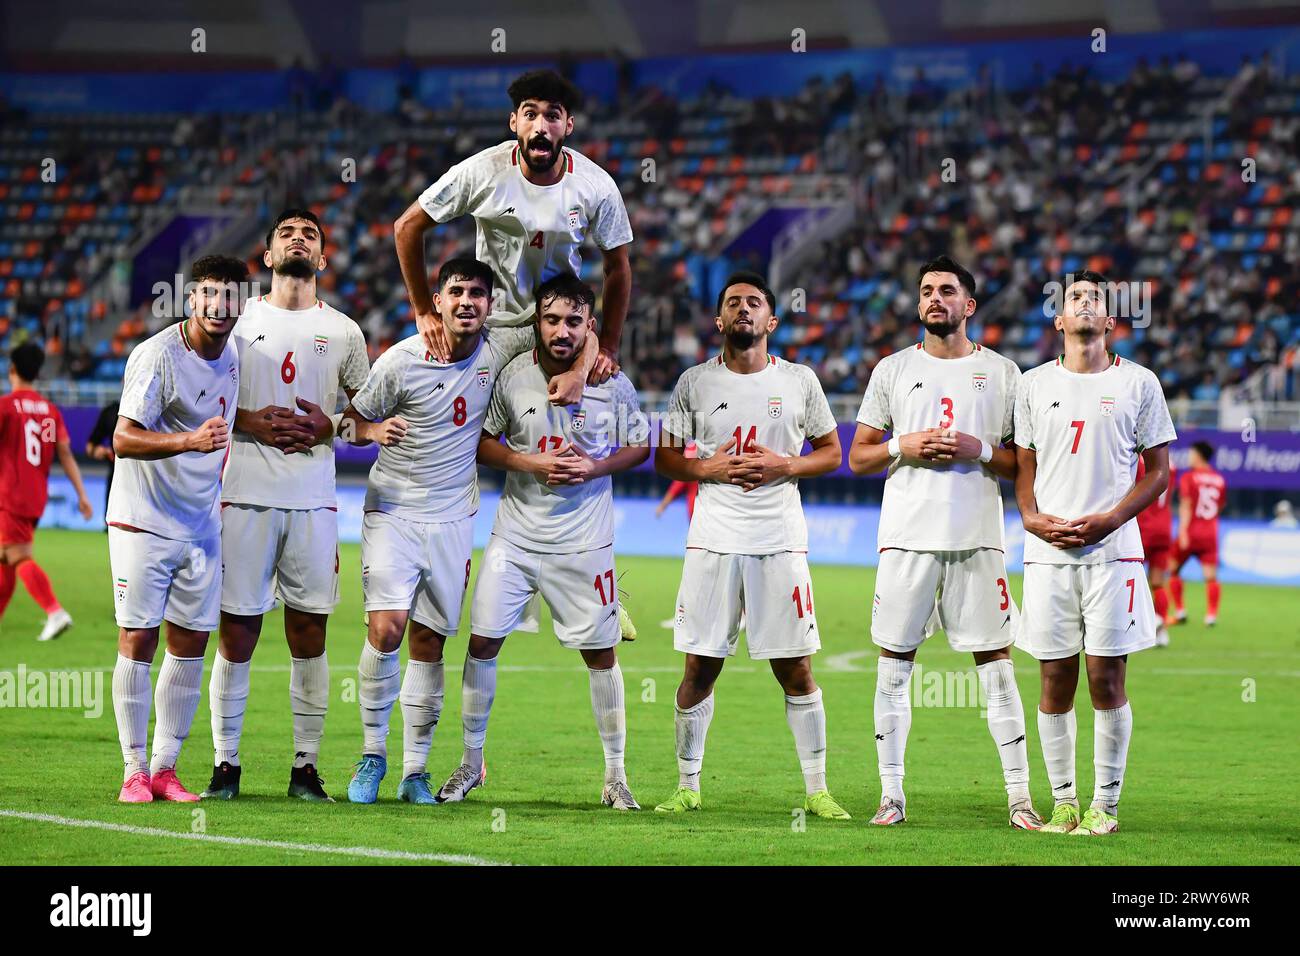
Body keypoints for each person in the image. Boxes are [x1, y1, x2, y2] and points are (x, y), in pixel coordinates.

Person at [336, 257, 560, 805]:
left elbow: (566, 325)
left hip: (456, 517)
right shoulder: (400, 361)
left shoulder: (497, 352)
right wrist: (370, 428)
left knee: (429, 642)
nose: (467, 302)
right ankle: (372, 755)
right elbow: (346, 421)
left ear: (490, 306)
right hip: (393, 510)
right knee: (386, 630)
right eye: (456, 292)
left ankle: (415, 771)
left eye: (478, 294)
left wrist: (585, 366)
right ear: (436, 302)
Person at [434, 272, 648, 810]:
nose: (561, 330)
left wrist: (596, 466)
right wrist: (528, 461)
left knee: (600, 656)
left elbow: (641, 446)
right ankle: (470, 762)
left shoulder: (610, 381)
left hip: (585, 542)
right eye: (551, 319)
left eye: (574, 321)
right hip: (516, 537)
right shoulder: (511, 377)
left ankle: (617, 776)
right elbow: (482, 442)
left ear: (589, 327)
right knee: (482, 643)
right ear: (537, 322)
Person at [848, 255, 1041, 829]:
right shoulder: (892, 370)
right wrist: (903, 444)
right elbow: (858, 457)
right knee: (894, 664)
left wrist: (976, 449)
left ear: (969, 305)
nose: (936, 298)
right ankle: (891, 796)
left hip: (978, 540)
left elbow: (1021, 463)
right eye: (927, 289)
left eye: (948, 291)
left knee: (997, 666)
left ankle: (1020, 799)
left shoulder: (1005, 373)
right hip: (906, 540)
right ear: (918, 303)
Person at [652, 271, 850, 820]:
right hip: (713, 543)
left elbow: (833, 453)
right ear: (719, 321)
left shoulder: (800, 380)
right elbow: (666, 458)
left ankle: (817, 790)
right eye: (733, 303)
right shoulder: (694, 382)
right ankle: (688, 786)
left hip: (780, 542)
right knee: (699, 667)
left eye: (754, 303)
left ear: (772, 320)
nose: (744, 309)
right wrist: (706, 467)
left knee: (796, 670)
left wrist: (786, 464)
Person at [202, 208, 370, 803]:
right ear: (267, 256)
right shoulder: (236, 322)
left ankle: (305, 769)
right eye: (287, 234)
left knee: (309, 631)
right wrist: (249, 420)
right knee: (237, 633)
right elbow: (201, 396)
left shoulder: (346, 332)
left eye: (311, 236)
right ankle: (227, 765)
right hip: (243, 495)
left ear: (323, 259)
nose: (299, 240)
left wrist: (331, 426)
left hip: (314, 504)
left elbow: (365, 420)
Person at [1014, 271, 1176, 836]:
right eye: (1072, 298)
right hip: (1048, 556)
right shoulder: (1032, 384)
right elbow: (1023, 468)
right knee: (1054, 681)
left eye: (1094, 300)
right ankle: (1063, 801)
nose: (1083, 304)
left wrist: (1111, 519)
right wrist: (1032, 519)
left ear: (1109, 322)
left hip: (1116, 556)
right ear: (1059, 320)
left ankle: (1104, 807)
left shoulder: (1139, 383)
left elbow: (1160, 472)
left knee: (1107, 681)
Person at [393, 69, 631, 400]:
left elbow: (617, 267)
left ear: (569, 125)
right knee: (461, 427)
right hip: (491, 328)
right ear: (513, 122)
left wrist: (608, 345)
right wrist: (422, 311)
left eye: (553, 115)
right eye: (530, 114)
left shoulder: (596, 185)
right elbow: (406, 227)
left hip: (557, 329)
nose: (541, 126)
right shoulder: (483, 171)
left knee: (560, 436)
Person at [108, 255, 244, 802]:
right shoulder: (157, 355)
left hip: (200, 523)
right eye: (208, 293)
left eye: (230, 296)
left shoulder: (232, 353)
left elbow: (231, 421)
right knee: (139, 638)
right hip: (144, 521)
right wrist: (188, 440)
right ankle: (133, 771)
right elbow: (123, 439)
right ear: (191, 300)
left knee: (189, 645)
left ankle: (165, 768)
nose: (219, 305)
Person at [0, 343, 93, 640]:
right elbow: (62, 452)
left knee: (18, 556)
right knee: (5, 558)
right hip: (35, 496)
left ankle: (54, 611)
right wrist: (81, 493)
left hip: (9, 495)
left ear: (11, 369)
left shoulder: (6, 407)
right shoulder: (49, 413)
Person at [1168, 441, 1226, 627]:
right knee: (1211, 577)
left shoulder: (1189, 477)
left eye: (1192, 453)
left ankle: (1180, 611)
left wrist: (1182, 532)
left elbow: (1186, 505)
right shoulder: (1219, 480)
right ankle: (1211, 615)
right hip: (1210, 533)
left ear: (1199, 455)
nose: (1189, 457)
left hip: (1191, 532)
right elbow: (1220, 506)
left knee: (1173, 569)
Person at [1135, 455, 1176, 646]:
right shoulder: (1171, 464)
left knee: (1132, 577)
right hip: (1164, 526)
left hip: (1144, 525)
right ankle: (1162, 631)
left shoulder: (1139, 462)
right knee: (1158, 583)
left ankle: (1140, 623)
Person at [85, 399, 119, 526]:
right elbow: (90, 447)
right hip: (116, 480)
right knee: (112, 527)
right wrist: (102, 451)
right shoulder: (110, 412)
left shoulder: (152, 409)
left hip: (144, 482)